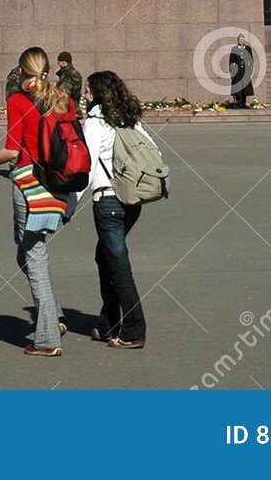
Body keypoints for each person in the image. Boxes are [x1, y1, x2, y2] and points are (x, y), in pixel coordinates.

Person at [0, 47, 78, 357]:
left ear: (21, 70)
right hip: (59, 184)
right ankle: (53, 315)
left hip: (29, 184)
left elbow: (13, 150)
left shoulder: (17, 100)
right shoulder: (61, 97)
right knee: (28, 252)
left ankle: (47, 338)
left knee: (32, 253)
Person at [83, 71, 156, 350]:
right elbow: (153, 152)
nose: (85, 95)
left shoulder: (95, 121)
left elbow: (87, 166)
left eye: (88, 90)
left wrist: (68, 207)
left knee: (117, 263)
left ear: (98, 93)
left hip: (108, 202)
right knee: (105, 256)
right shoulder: (130, 118)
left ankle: (134, 329)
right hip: (132, 201)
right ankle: (108, 323)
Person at [228, 35, 255, 107]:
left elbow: (251, 60)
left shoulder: (248, 48)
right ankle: (238, 101)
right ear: (237, 40)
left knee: (245, 86)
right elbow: (231, 61)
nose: (241, 41)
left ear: (244, 40)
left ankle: (244, 102)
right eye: (240, 40)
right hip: (237, 71)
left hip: (245, 70)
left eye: (242, 40)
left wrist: (250, 69)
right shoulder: (234, 49)